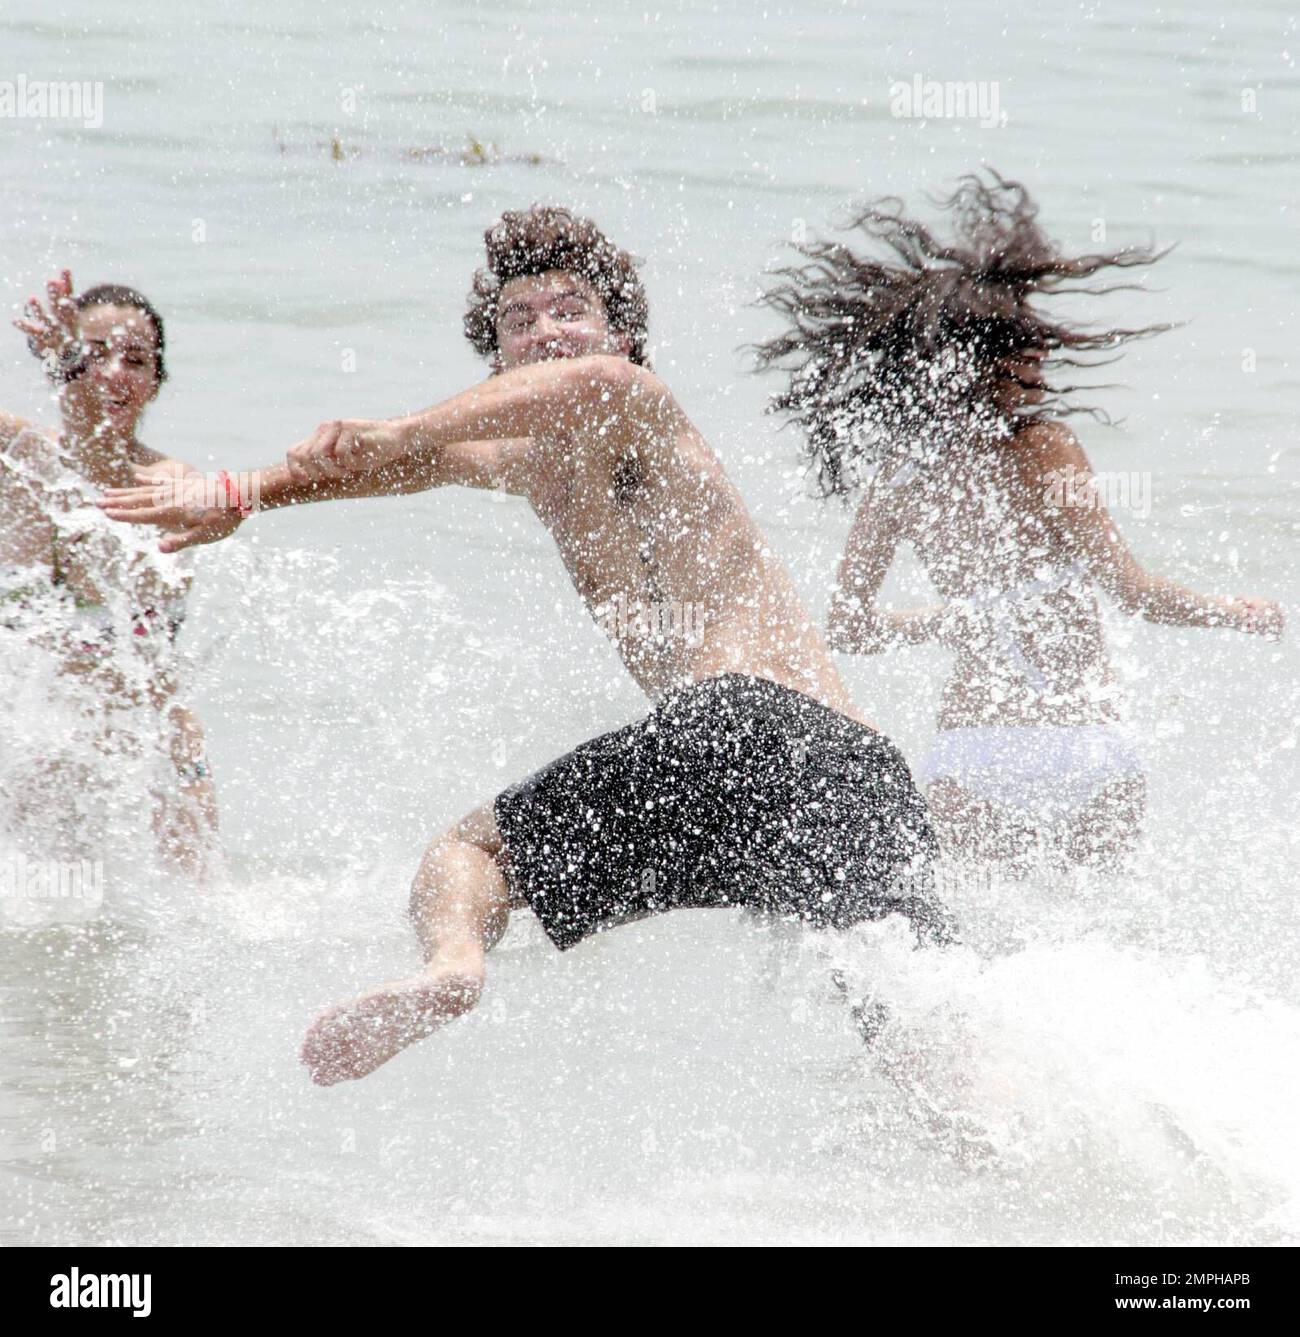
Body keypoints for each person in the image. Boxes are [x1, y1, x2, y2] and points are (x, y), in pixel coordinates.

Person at [101, 205, 953, 1085]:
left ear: (619, 333)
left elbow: (524, 411)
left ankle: (452, 969)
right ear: (499, 358)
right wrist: (238, 492)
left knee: (467, 855)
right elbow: (391, 468)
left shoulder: (640, 398)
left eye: (568, 309)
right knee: (920, 1031)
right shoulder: (536, 461)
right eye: (519, 320)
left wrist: (405, 426)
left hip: (743, 725)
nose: (546, 330)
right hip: (852, 776)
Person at [755, 170, 1283, 867]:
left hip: (972, 753)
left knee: (970, 955)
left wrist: (956, 617)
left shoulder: (902, 474)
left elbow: (850, 627)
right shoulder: (1048, 450)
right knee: (1095, 947)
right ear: (982, 361)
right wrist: (1232, 612)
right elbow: (1130, 590)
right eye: (1027, 350)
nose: (1042, 365)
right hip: (1085, 746)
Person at [2, 270, 217, 873]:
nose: (115, 373)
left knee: (198, 923)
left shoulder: (173, 485)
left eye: (136, 359)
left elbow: (96, 473)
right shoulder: (21, 457)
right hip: (39, 741)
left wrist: (67, 372)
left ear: (156, 381)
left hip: (157, 752)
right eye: (94, 355)